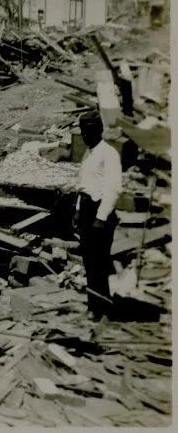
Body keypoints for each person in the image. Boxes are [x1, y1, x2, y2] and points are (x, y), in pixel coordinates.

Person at [75, 115, 123, 321]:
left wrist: (101, 217)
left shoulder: (109, 154)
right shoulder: (89, 152)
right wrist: (78, 210)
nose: (86, 137)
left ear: (99, 131)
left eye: (89, 133)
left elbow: (113, 188)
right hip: (86, 209)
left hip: (99, 211)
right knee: (89, 262)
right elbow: (84, 184)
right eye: (84, 133)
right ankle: (94, 305)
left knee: (99, 262)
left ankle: (103, 308)